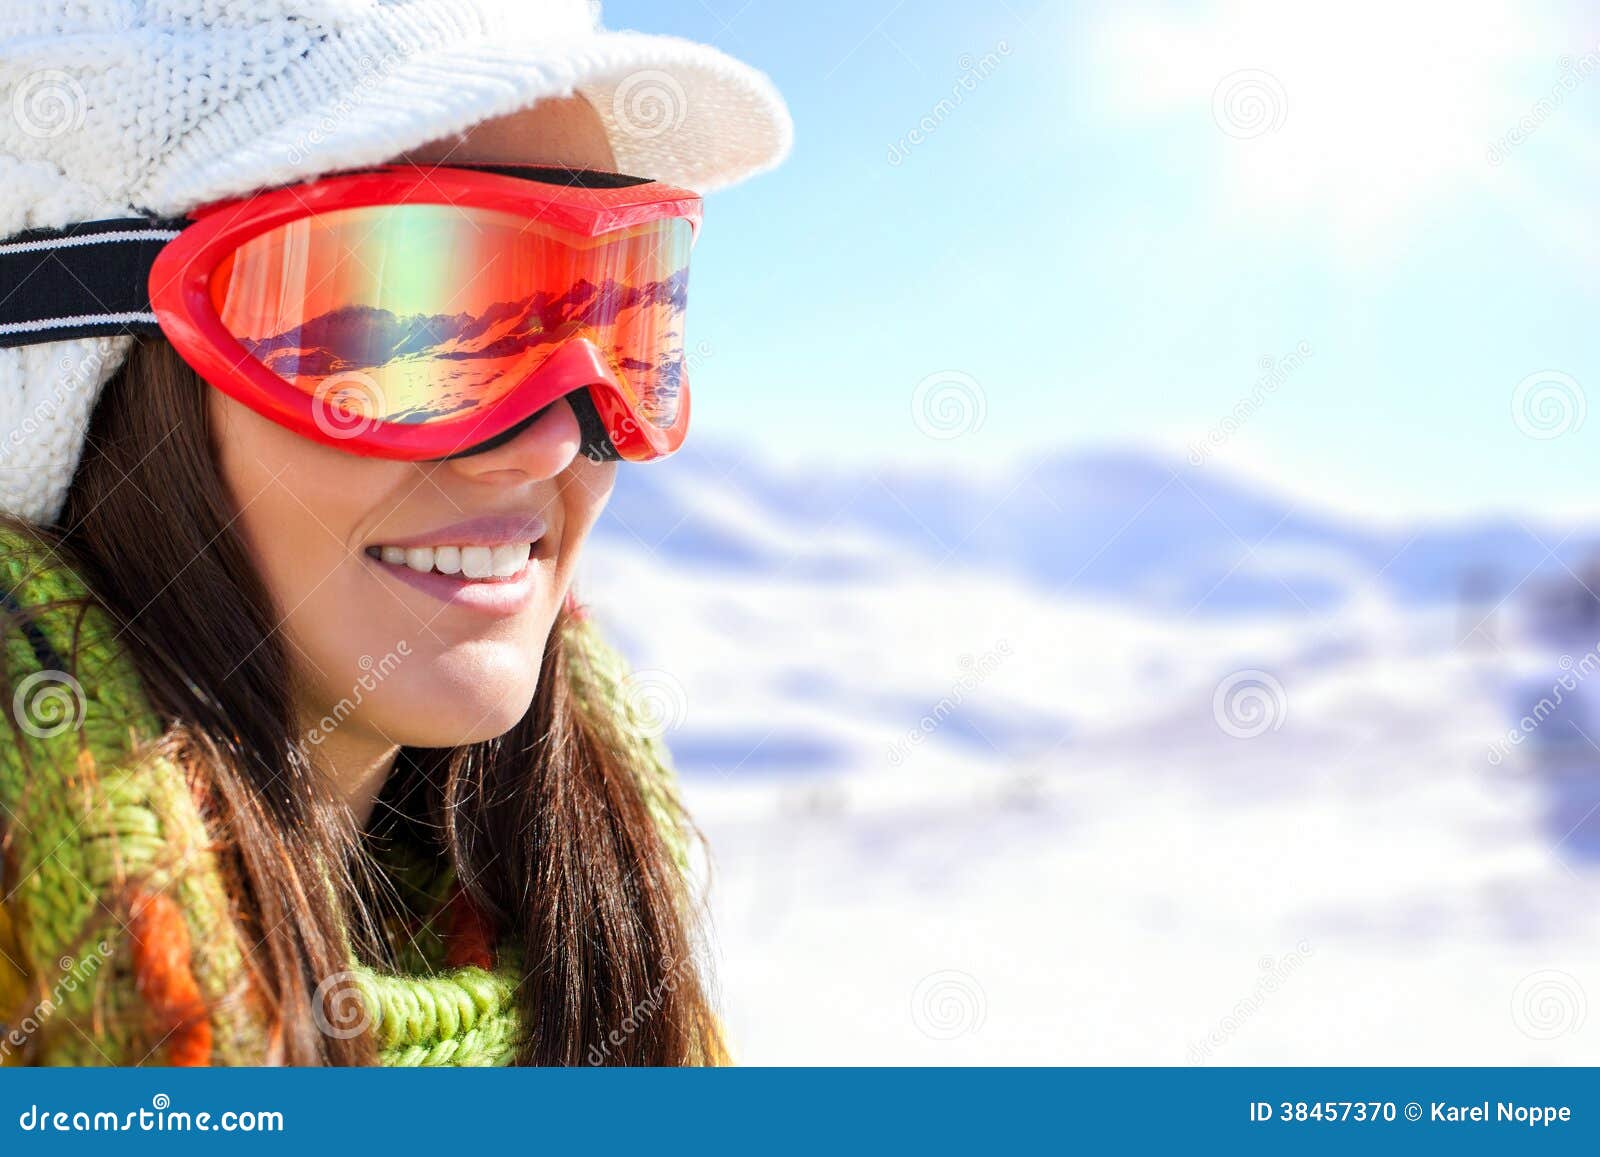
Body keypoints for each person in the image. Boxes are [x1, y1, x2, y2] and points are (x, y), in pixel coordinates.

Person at [0, 0, 789, 1066]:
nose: (550, 441)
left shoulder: (587, 915)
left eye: (617, 312)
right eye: (394, 322)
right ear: (66, 353)